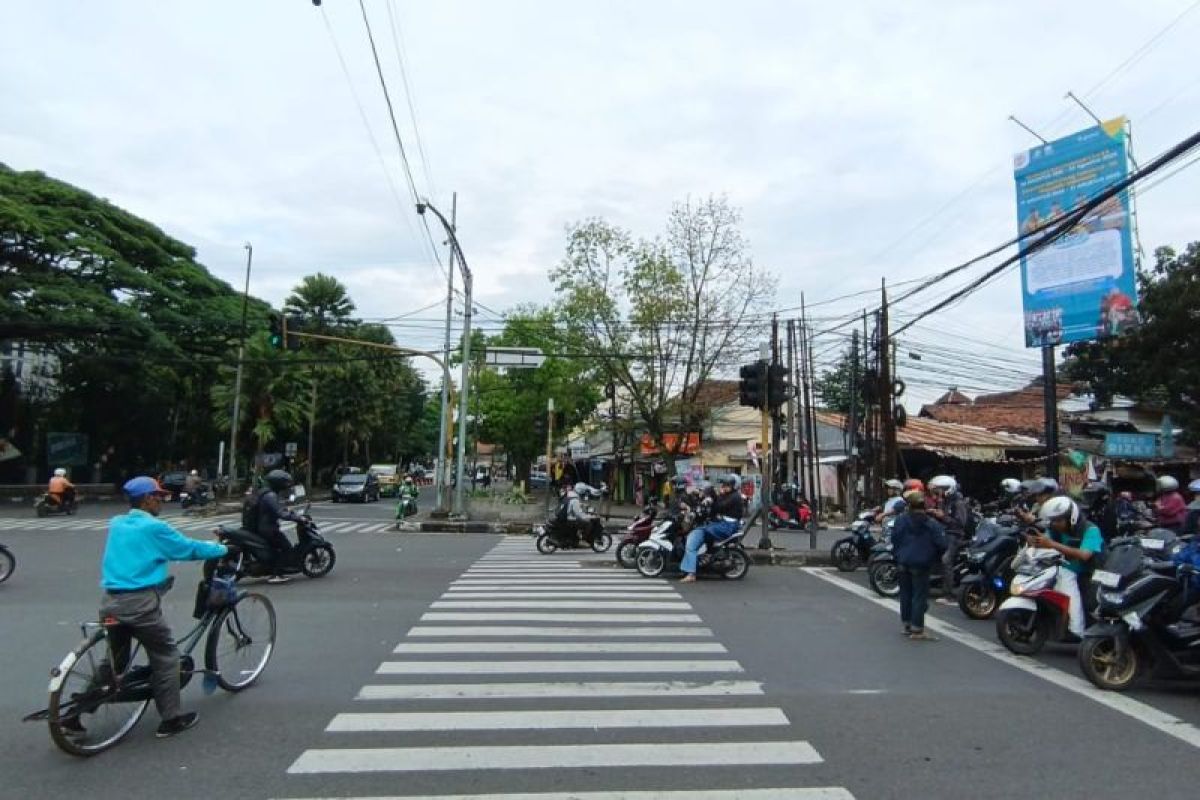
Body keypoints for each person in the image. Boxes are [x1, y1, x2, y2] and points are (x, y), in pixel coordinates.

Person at [87, 476, 232, 739]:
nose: (162, 502)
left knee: (113, 661)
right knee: (166, 656)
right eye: (159, 497)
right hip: (140, 604)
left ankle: (73, 714)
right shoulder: (153, 527)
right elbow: (187, 549)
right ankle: (171, 719)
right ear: (147, 499)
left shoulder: (117, 523)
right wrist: (220, 549)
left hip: (110, 602)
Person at [1026, 496, 1103, 637]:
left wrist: (1052, 544)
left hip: (1092, 573)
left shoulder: (1091, 530)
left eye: (1059, 520)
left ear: (1071, 518)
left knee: (1073, 585)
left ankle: (1077, 630)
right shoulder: (1056, 529)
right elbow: (1046, 541)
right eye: (1053, 520)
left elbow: (1084, 555)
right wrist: (1034, 541)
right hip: (1066, 568)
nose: (1055, 524)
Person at [891, 490, 946, 640]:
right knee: (919, 596)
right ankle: (917, 629)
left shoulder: (900, 520)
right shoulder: (931, 523)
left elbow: (894, 539)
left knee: (906, 594)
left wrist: (899, 554)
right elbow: (942, 544)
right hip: (921, 563)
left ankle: (907, 624)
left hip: (903, 560)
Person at [244, 469, 305, 584]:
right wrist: (298, 518)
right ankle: (276, 574)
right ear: (279, 484)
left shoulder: (265, 492)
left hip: (261, 526)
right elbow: (280, 513)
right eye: (284, 483)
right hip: (268, 529)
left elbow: (276, 509)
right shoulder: (271, 496)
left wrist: (287, 510)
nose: (285, 486)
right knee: (285, 547)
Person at [680, 474, 744, 584]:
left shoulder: (735, 497)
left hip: (727, 526)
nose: (724, 487)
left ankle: (691, 573)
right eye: (723, 485)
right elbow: (715, 507)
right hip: (722, 524)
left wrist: (713, 497)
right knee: (700, 533)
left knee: (702, 531)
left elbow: (719, 507)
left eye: (727, 485)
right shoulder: (728, 495)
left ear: (733, 486)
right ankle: (692, 567)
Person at [926, 475, 968, 603]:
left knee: (946, 560)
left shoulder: (958, 503)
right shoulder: (945, 501)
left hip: (954, 535)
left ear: (947, 489)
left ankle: (948, 594)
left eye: (938, 490)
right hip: (942, 532)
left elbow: (961, 523)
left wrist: (943, 516)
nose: (936, 494)